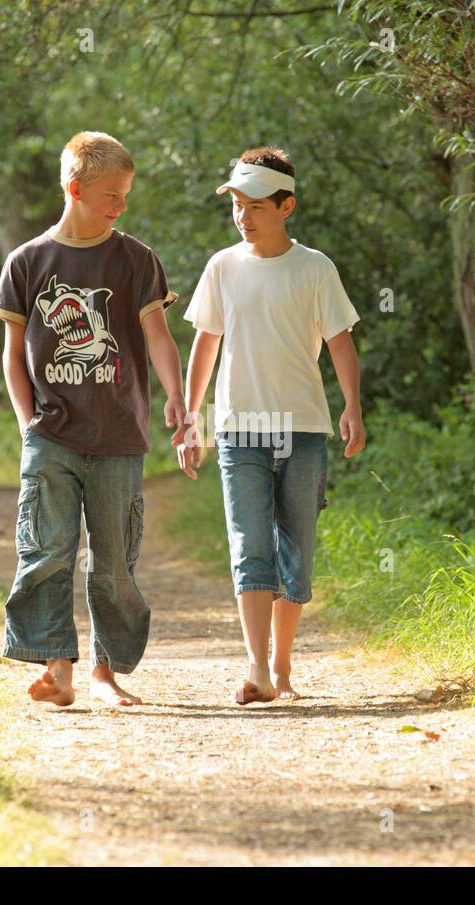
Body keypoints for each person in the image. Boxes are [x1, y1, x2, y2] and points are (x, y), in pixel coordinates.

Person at [0, 131, 185, 707]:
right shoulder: (27, 261)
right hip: (51, 435)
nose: (122, 206)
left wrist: (177, 399)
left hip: (120, 436)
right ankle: (59, 669)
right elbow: (12, 350)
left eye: (125, 194)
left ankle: (106, 672)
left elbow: (158, 336)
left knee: (114, 561)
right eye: (112, 195)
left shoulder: (135, 259)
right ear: (75, 188)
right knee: (48, 552)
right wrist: (27, 419)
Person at [177, 146, 366, 704]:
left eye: (255, 204)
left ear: (287, 206)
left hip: (304, 429)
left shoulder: (315, 268)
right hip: (239, 430)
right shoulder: (222, 267)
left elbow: (340, 342)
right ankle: (256, 668)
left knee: (296, 553)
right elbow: (204, 344)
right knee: (248, 545)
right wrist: (192, 419)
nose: (243, 215)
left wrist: (351, 407)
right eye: (236, 203)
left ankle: (282, 667)